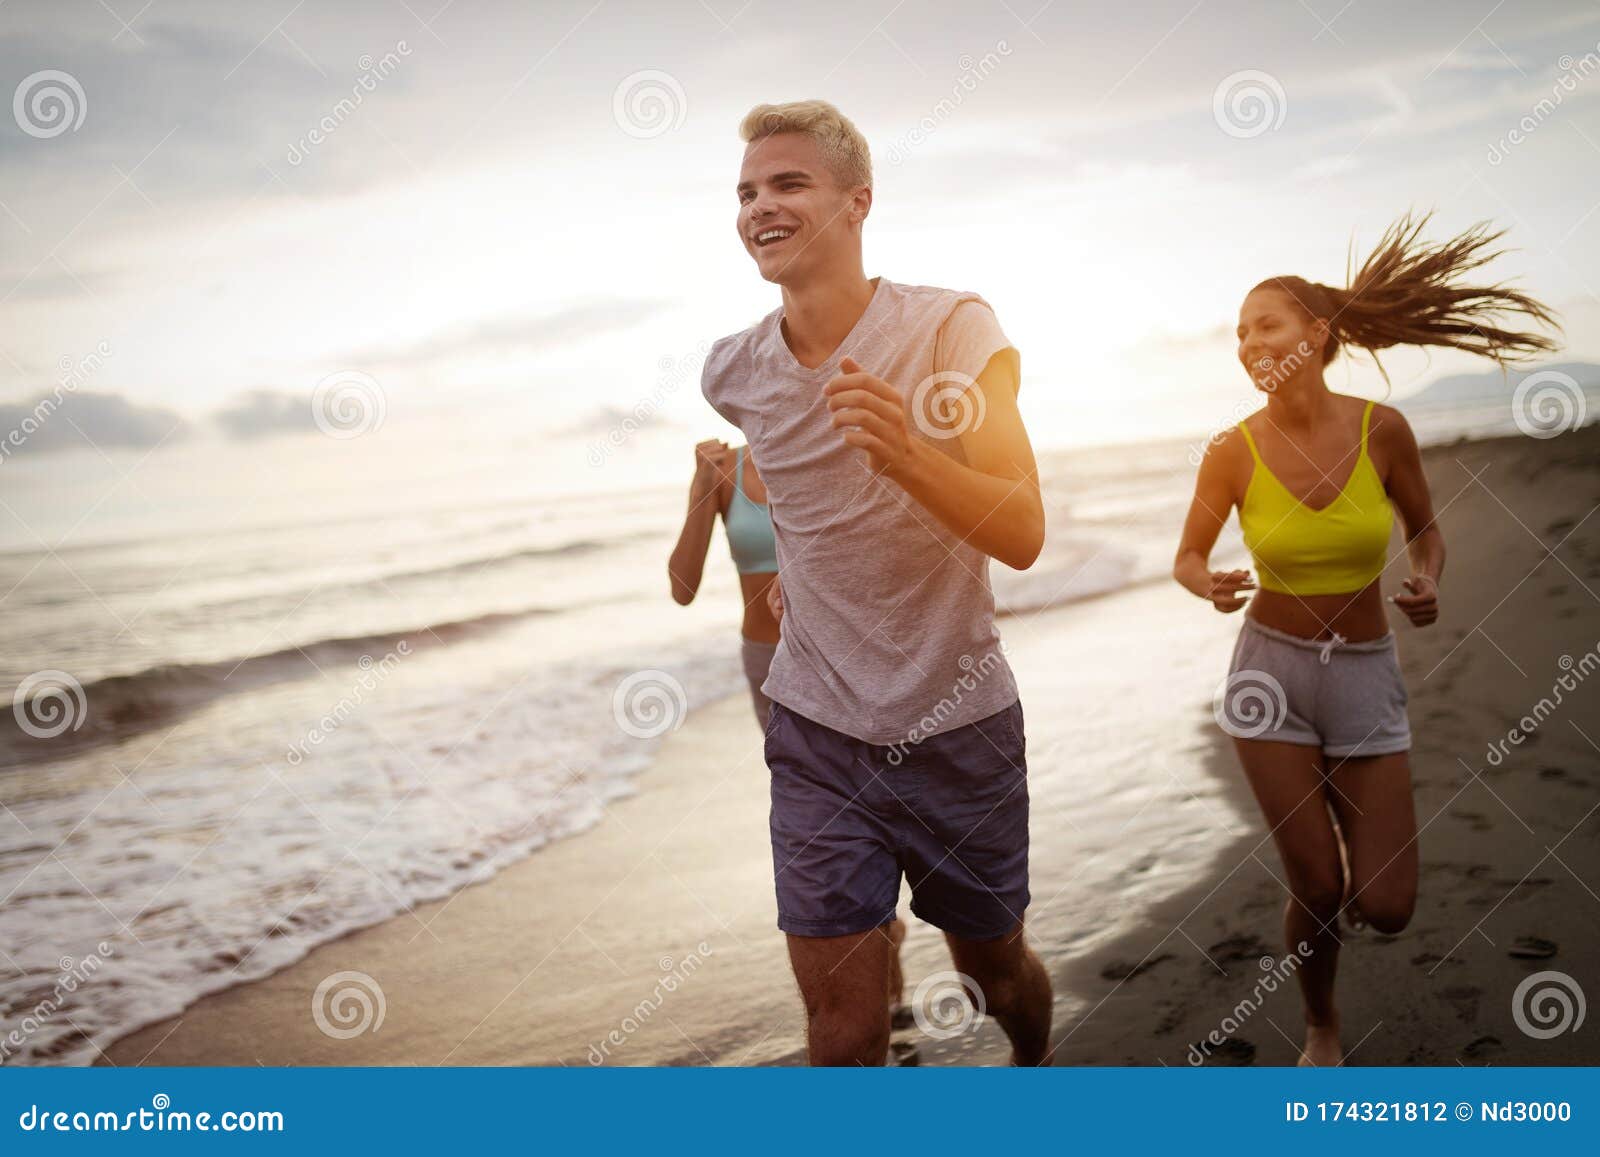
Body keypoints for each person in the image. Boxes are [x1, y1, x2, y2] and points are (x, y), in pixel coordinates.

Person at [700, 99, 1053, 1066]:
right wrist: (795, 570)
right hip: (816, 733)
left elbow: (1023, 528)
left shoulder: (952, 329)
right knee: (845, 1031)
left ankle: (1037, 1070)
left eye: (788, 183)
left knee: (995, 978)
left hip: (959, 724)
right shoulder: (733, 372)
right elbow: (794, 490)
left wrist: (905, 454)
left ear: (858, 201)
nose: (759, 207)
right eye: (746, 192)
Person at [1173, 212, 1558, 1066]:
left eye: (1265, 325)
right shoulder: (1230, 451)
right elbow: (1187, 557)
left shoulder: (1383, 429)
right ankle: (1321, 1025)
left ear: (1317, 334)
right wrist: (1210, 584)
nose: (1248, 344)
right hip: (1268, 678)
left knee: (1386, 906)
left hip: (1364, 675)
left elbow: (1426, 530)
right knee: (1316, 882)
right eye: (1239, 333)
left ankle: (1338, 895)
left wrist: (1429, 577)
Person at [667, 436, 915, 1028]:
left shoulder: (832, 448)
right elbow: (682, 586)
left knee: (870, 801)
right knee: (823, 812)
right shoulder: (724, 470)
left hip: (846, 657)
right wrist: (701, 489)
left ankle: (883, 934)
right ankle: (879, 936)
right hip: (769, 665)